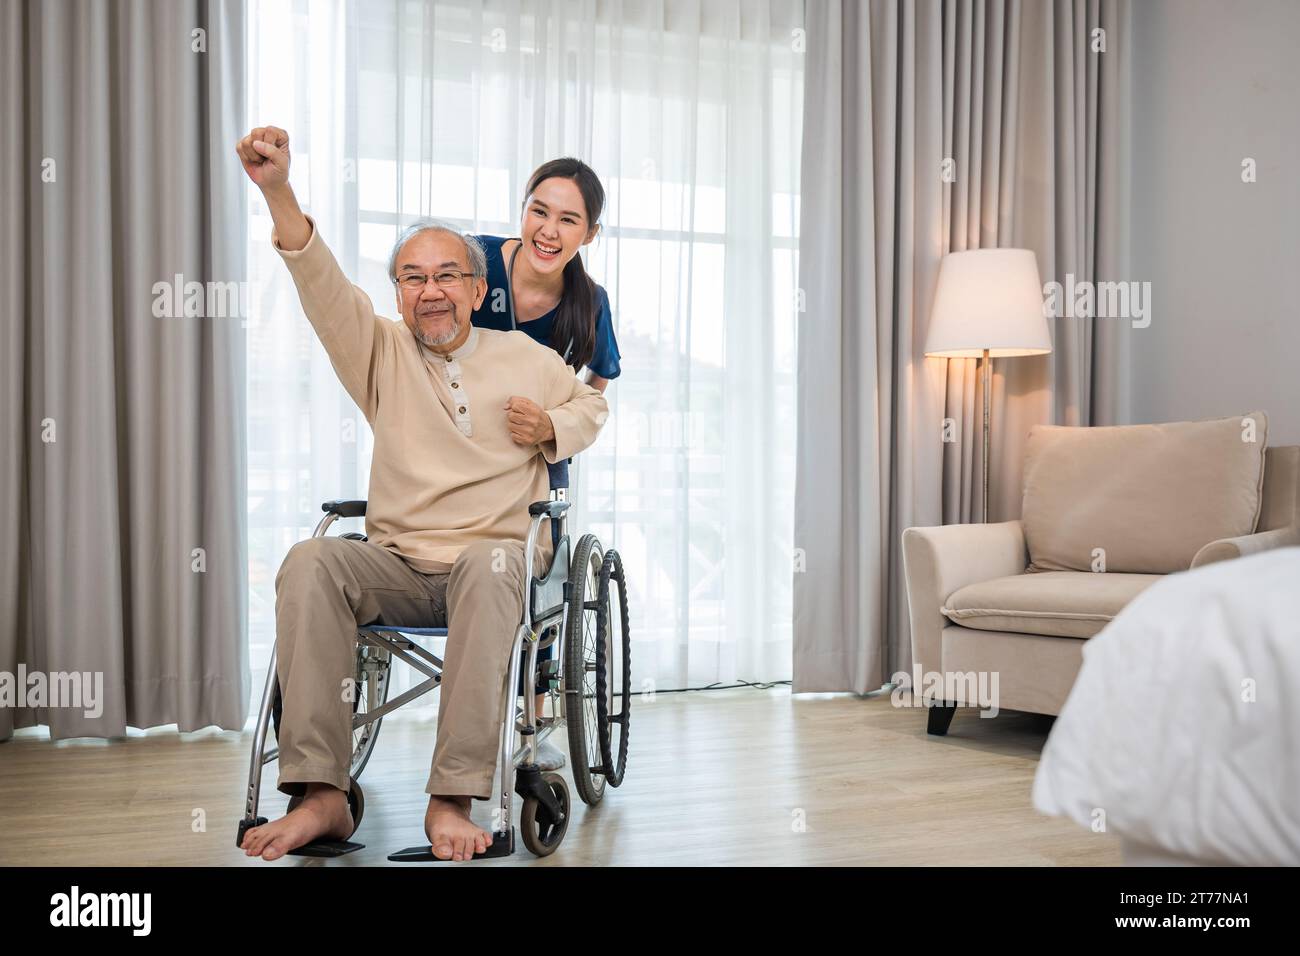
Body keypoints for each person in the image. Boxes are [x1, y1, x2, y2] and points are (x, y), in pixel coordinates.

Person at [233, 126, 609, 862]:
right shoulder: (377, 350)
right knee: (312, 562)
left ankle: (451, 796)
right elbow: (317, 280)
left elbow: (594, 409)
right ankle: (321, 796)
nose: (430, 290)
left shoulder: (526, 357)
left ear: (476, 288)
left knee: (496, 563)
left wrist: (551, 426)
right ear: (397, 292)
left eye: (446, 275)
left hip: (490, 567)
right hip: (398, 565)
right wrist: (277, 188)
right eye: (412, 277)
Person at [470, 160, 622, 766]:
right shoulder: (475, 260)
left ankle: (533, 720)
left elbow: (600, 380)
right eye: (540, 210)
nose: (549, 230)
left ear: (590, 234)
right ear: (523, 209)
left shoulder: (586, 304)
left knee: (544, 581)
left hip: (531, 458)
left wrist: (553, 424)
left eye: (569, 219)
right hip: (455, 450)